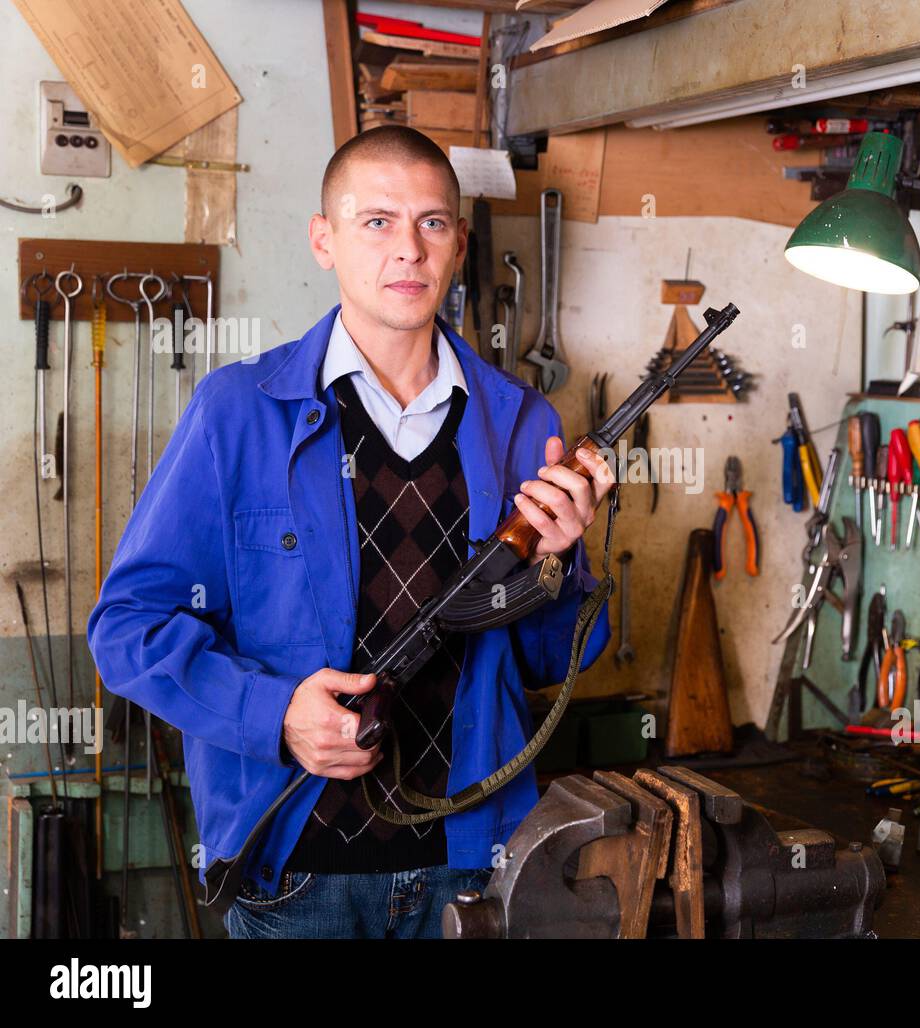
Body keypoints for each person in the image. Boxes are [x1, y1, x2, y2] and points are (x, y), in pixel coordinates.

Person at [88, 126, 613, 939]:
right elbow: (128, 630)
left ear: (459, 243)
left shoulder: (522, 423)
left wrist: (558, 566)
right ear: (324, 240)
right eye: (377, 222)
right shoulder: (238, 415)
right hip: (297, 879)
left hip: (473, 870)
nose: (407, 248)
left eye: (432, 223)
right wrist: (276, 717)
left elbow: (549, 664)